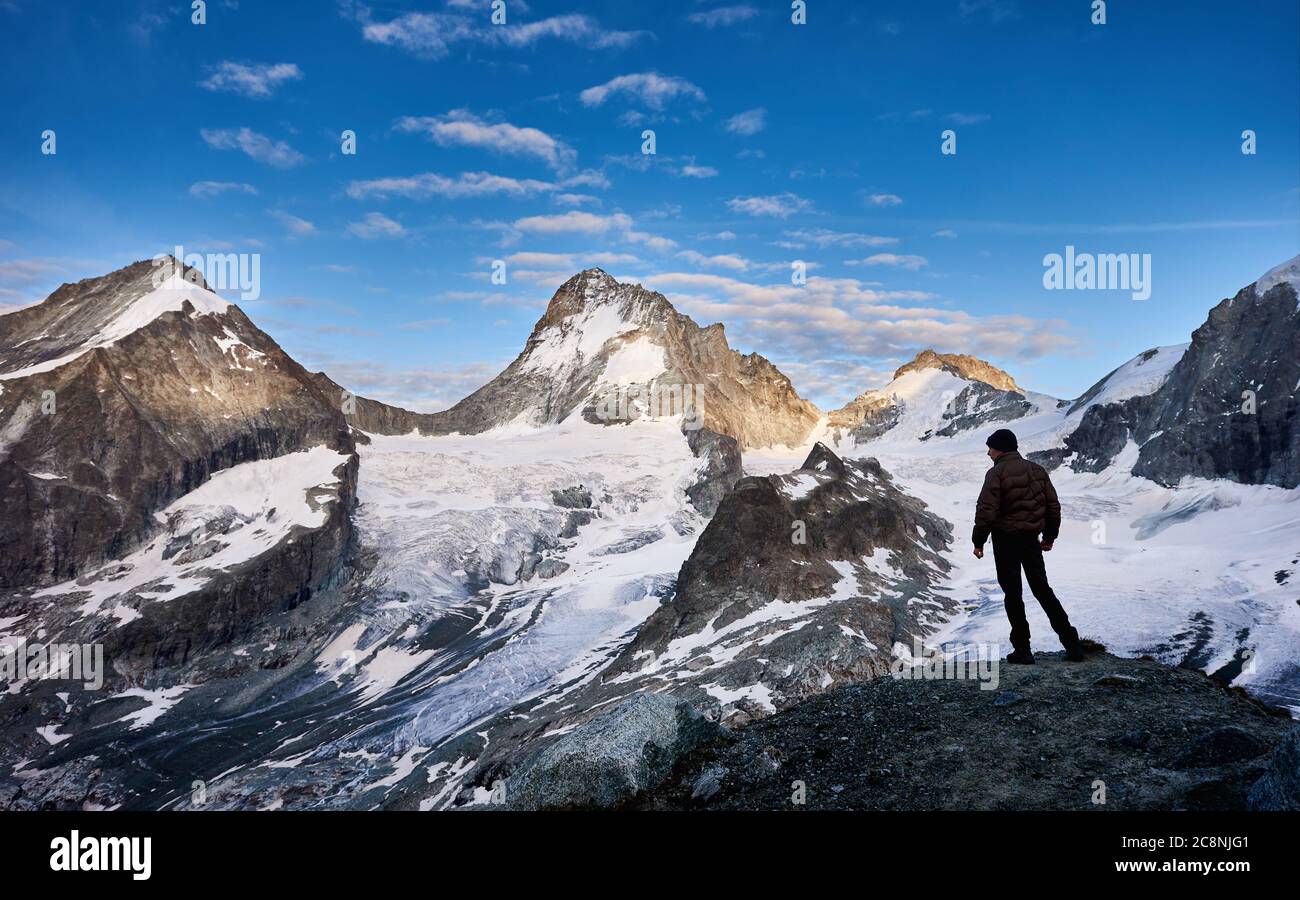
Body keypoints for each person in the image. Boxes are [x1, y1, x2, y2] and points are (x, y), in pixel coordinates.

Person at [973, 429, 1084, 664]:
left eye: (991, 448)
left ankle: (1023, 649)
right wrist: (1049, 536)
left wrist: (978, 541)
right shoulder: (1037, 470)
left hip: (1005, 542)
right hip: (1031, 540)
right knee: (1043, 590)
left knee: (1013, 594)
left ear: (1000, 449)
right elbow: (1053, 506)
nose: (988, 452)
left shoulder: (996, 473)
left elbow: (986, 511)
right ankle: (1072, 644)